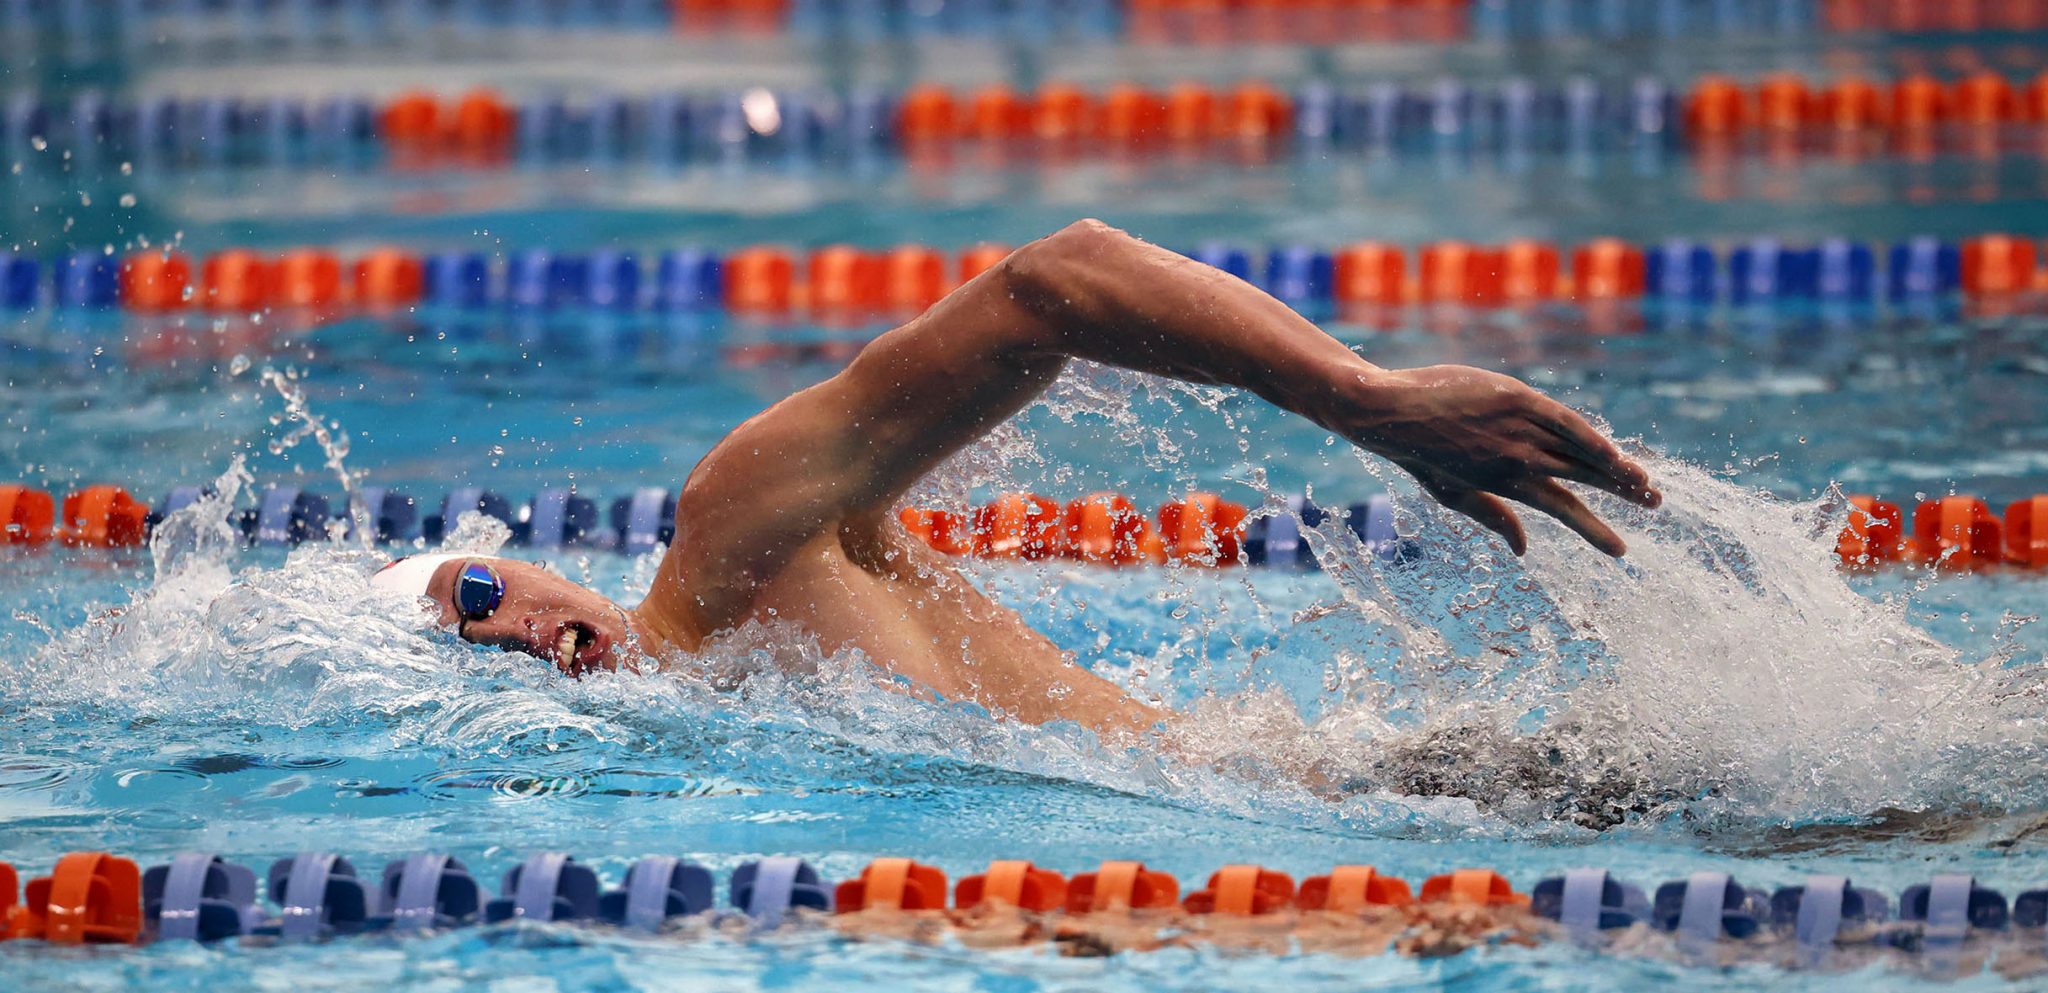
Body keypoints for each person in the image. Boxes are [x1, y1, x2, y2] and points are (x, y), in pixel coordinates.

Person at [372, 220, 1660, 739]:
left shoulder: (736, 537)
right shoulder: (721, 734)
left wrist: (1359, 400)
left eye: (480, 589)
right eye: (478, 648)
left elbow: (1052, 282)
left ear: (530, 559)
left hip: (1372, 799)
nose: (521, 633)